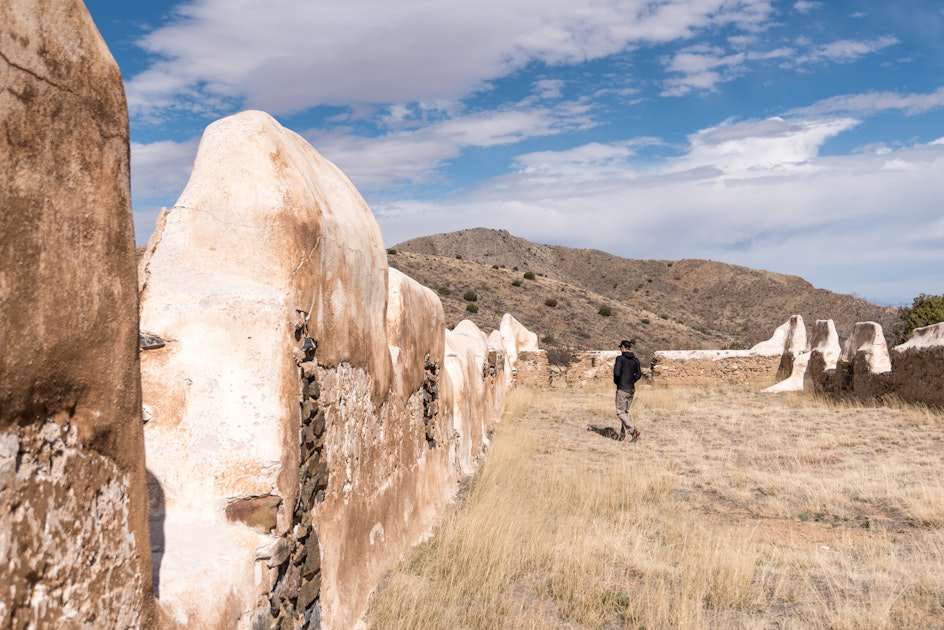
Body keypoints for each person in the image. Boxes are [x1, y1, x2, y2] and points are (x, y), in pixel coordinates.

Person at [613, 339, 642, 441]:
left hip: (622, 388)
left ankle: (633, 430)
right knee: (625, 413)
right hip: (631, 389)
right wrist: (631, 381)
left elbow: (616, 373)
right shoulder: (636, 360)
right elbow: (639, 374)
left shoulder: (620, 359)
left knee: (620, 413)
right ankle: (622, 435)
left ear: (623, 347)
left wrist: (618, 382)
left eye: (620, 347)